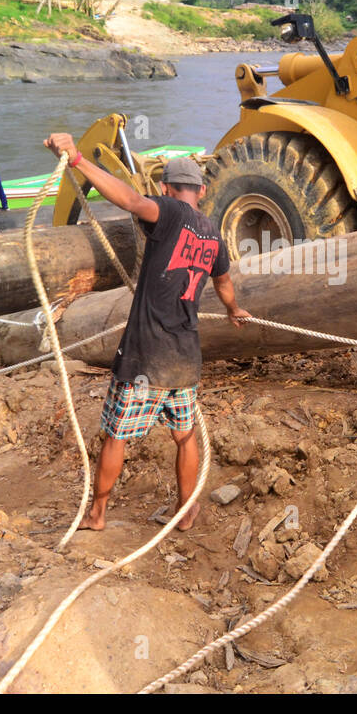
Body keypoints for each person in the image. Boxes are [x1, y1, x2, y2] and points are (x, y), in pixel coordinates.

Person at [44, 133, 251, 531]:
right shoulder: (211, 231)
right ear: (202, 191)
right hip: (185, 355)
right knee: (185, 436)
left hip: (146, 355)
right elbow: (224, 281)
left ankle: (98, 514)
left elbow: (129, 201)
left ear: (166, 188)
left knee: (115, 436)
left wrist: (78, 161)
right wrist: (234, 309)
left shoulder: (170, 211)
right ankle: (187, 511)